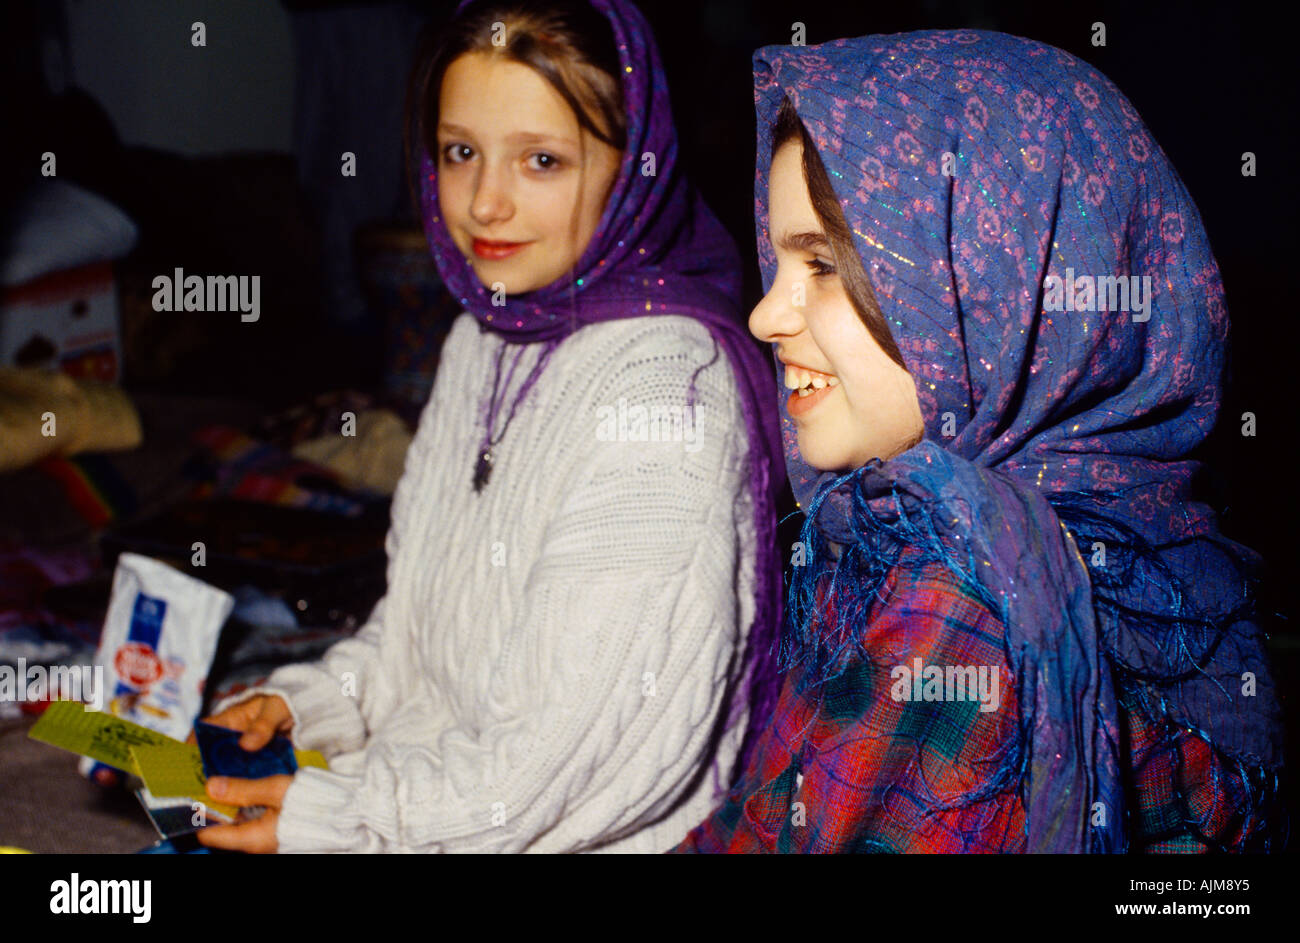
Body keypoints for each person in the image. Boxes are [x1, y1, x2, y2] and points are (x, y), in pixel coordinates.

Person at [194, 0, 784, 853]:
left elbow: (552, 766)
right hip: (436, 802)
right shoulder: (486, 331)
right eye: (460, 152)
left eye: (541, 160)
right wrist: (316, 700)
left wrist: (339, 815)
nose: (484, 203)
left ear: (633, 169)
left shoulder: (666, 395)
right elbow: (421, 636)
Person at [675, 29, 1284, 853]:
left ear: (993, 282)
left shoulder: (967, 594)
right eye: (779, 264)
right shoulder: (1148, 539)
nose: (763, 316)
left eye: (822, 265)